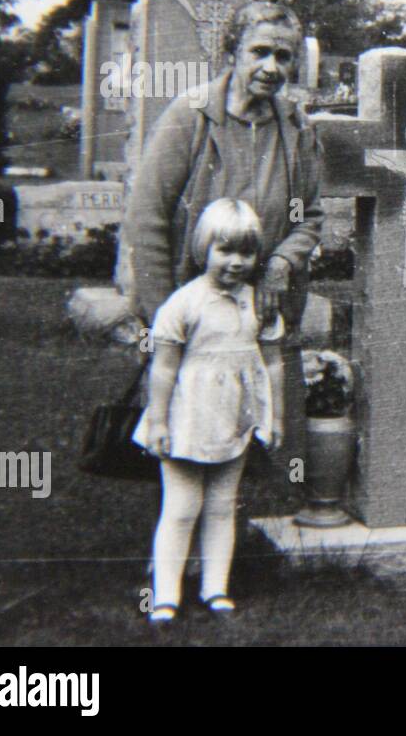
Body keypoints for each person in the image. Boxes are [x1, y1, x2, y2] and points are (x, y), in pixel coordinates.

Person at [122, 0, 323, 435]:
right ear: (232, 51)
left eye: (284, 57)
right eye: (259, 52)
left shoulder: (295, 127)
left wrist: (279, 264)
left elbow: (310, 214)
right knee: (182, 434)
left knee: (240, 431)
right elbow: (147, 217)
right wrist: (164, 318)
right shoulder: (190, 116)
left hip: (256, 309)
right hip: (189, 300)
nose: (271, 67)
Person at [135, 199, 285, 623]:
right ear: (204, 249)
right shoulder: (184, 303)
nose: (236, 263)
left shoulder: (258, 304)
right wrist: (159, 421)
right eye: (225, 251)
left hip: (232, 418)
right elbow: (163, 368)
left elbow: (272, 362)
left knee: (222, 505)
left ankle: (215, 588)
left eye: (246, 253)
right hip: (187, 418)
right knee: (181, 507)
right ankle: (166, 595)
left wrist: (274, 417)